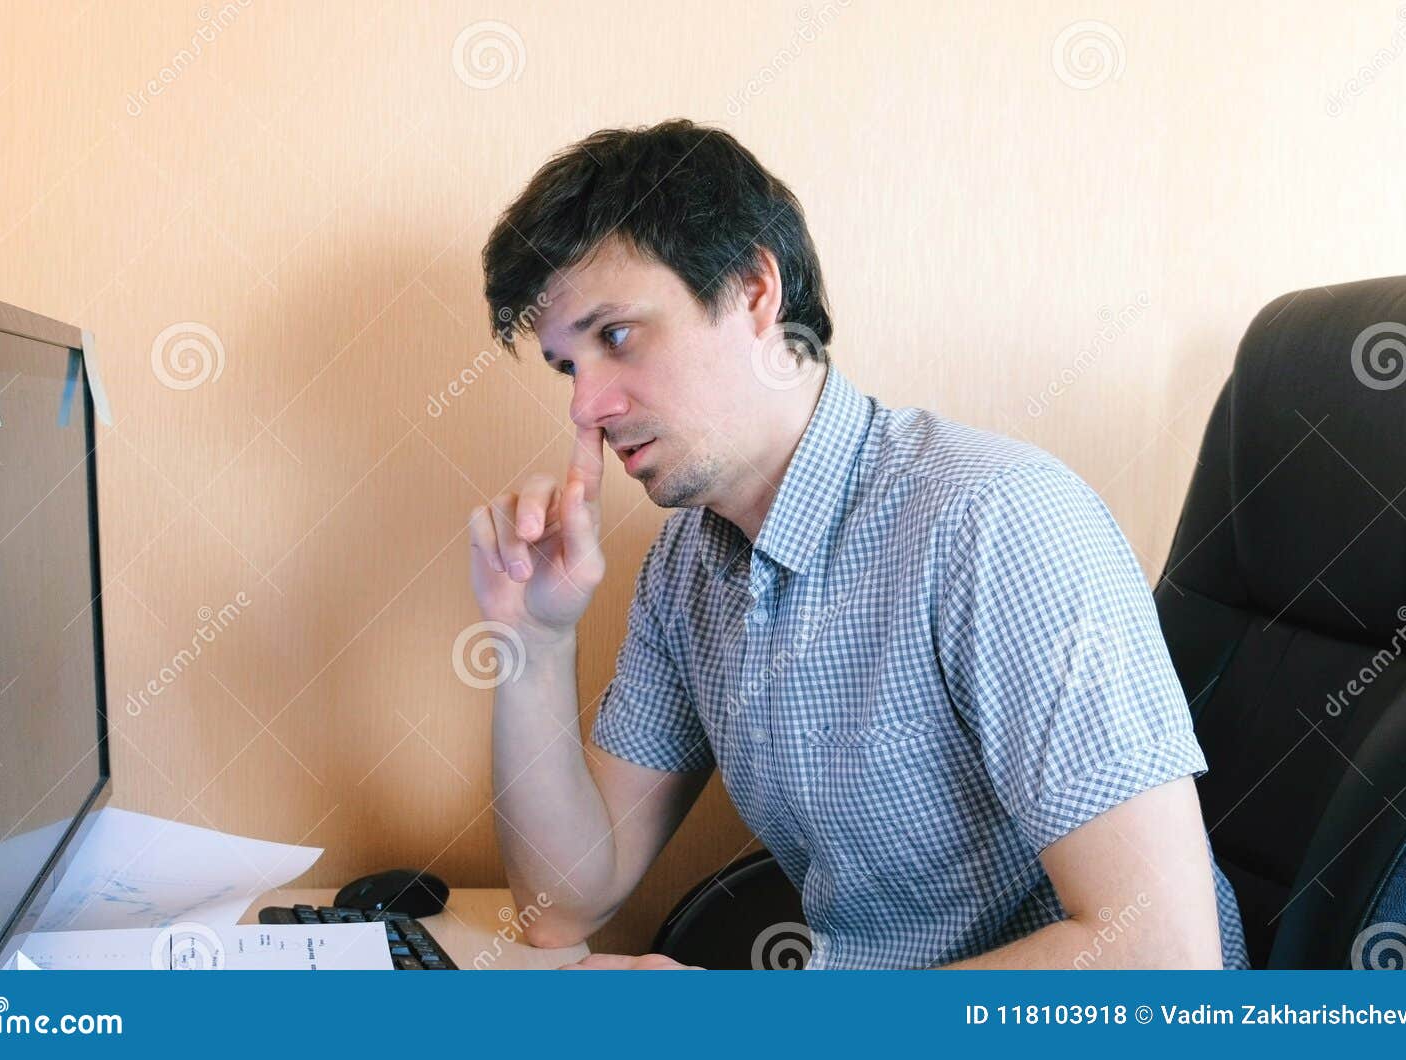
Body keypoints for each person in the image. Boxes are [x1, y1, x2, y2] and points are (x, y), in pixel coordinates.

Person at [466, 119, 1247, 970]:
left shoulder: (995, 521)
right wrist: (534, 642)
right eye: (566, 366)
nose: (585, 407)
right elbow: (563, 903)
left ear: (754, 290)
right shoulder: (688, 561)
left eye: (614, 336)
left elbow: (1162, 958)